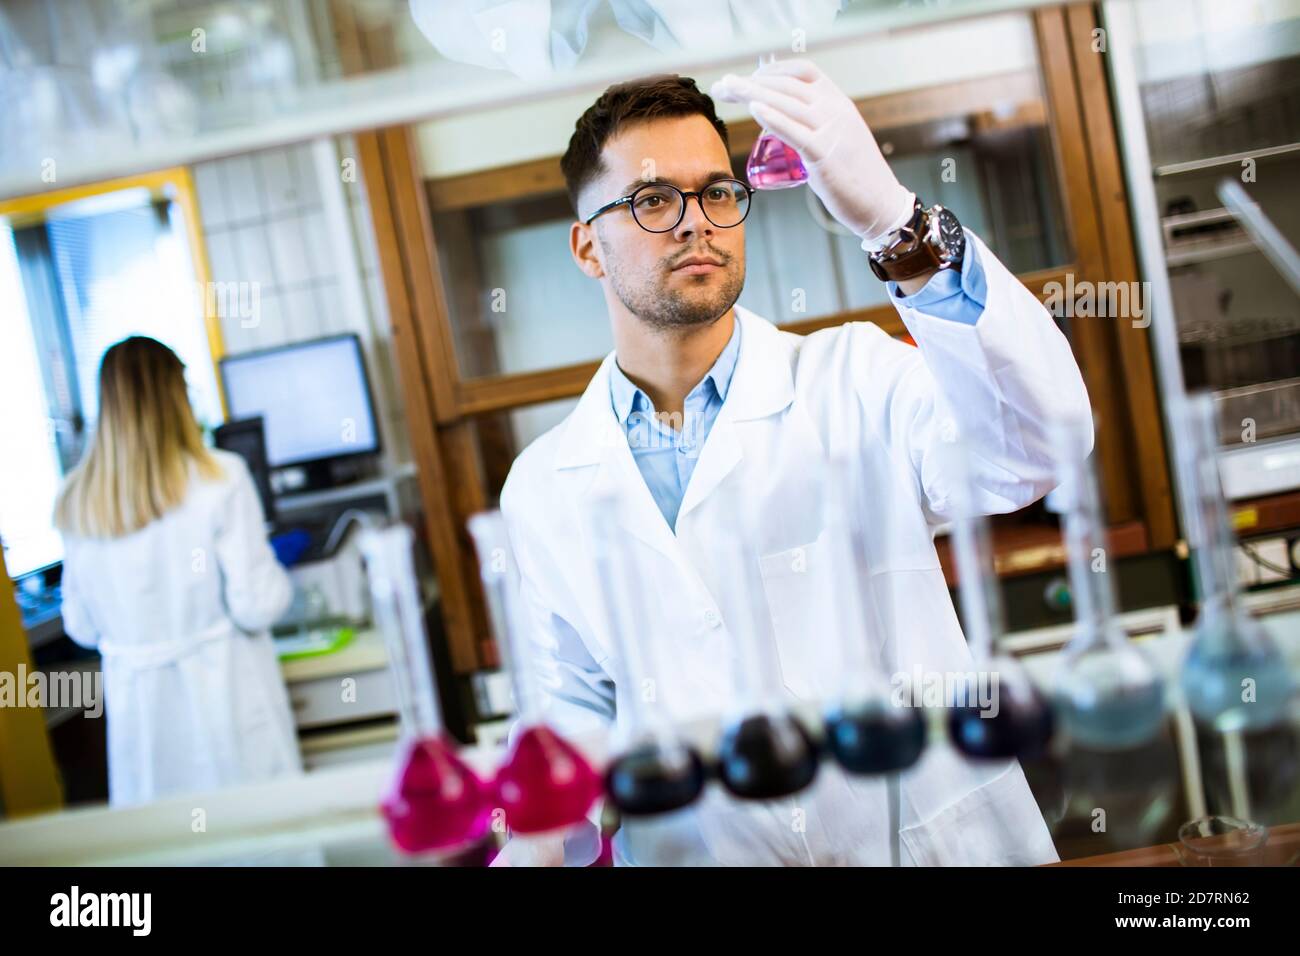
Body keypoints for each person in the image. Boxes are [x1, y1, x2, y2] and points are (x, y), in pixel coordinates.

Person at [495, 60, 1092, 865]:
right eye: (651, 199)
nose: (695, 221)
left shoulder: (858, 379)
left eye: (715, 191)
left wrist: (894, 221)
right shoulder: (542, 485)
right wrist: (540, 835)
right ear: (587, 248)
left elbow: (1040, 445)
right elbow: (575, 701)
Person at [55, 336, 300, 806]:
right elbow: (257, 606)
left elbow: (82, 627)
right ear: (175, 397)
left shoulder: (76, 499)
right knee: (258, 842)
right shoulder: (220, 476)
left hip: (143, 722)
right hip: (226, 703)